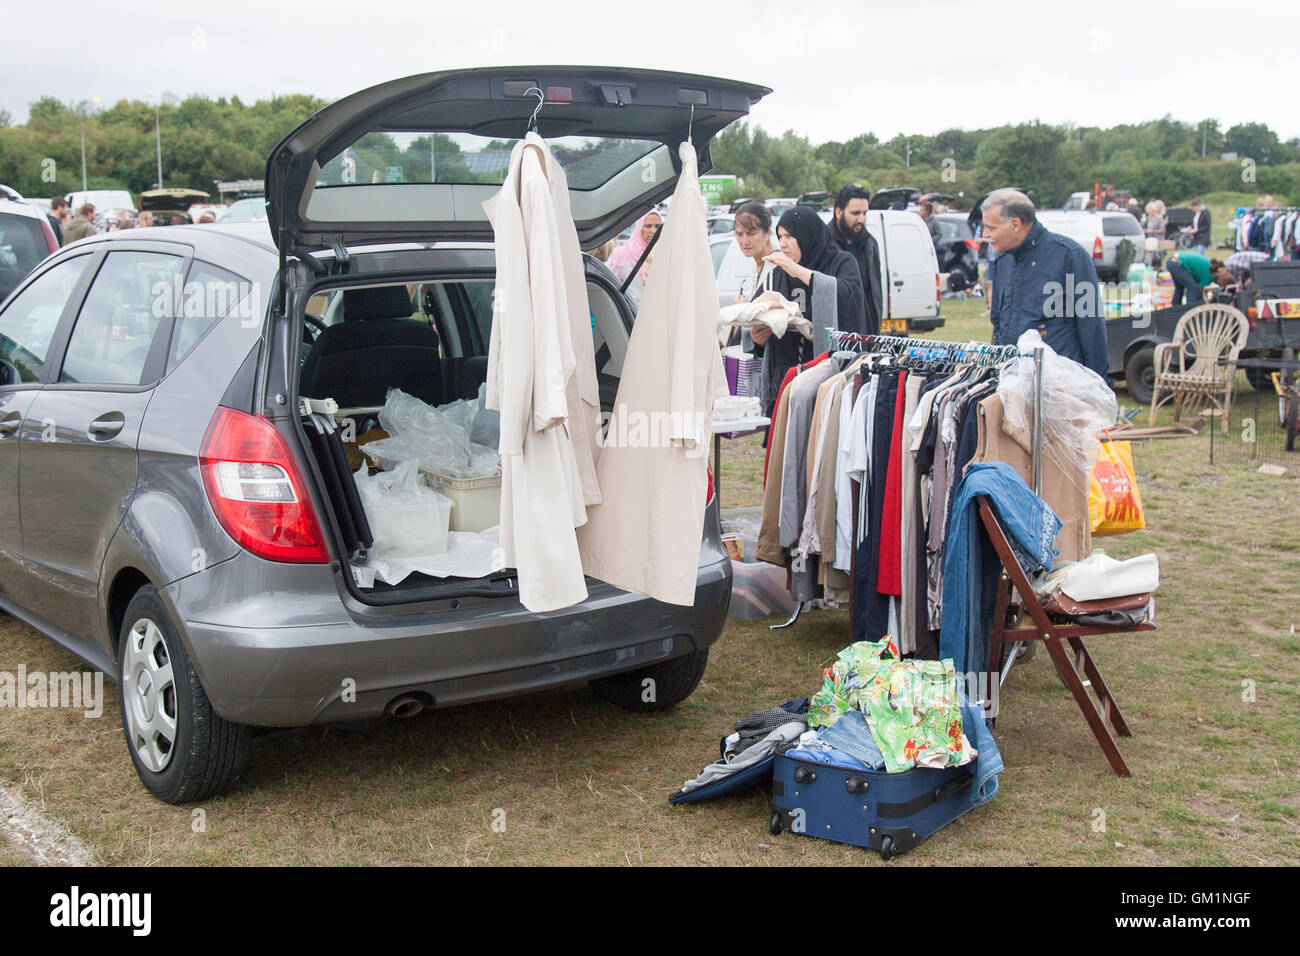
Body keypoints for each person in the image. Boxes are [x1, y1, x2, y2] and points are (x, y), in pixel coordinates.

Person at [982, 188, 1109, 379]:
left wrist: (1098, 383)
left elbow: (1091, 325)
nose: (985, 234)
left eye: (991, 228)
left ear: (1016, 224)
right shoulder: (1002, 262)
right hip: (1013, 379)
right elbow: (998, 323)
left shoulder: (1070, 256)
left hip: (1058, 380)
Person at [750, 207, 864, 417]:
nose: (782, 244)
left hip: (830, 379)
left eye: (790, 236)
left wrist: (800, 272)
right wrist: (759, 339)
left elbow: (848, 297)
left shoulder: (842, 262)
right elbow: (756, 312)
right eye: (780, 236)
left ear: (807, 236)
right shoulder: (780, 272)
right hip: (786, 380)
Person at [827, 185, 883, 334]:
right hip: (836, 332)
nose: (861, 219)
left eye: (865, 213)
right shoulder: (824, 245)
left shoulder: (870, 244)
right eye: (855, 213)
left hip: (866, 333)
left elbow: (875, 294)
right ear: (838, 212)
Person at [607, 209, 661, 307]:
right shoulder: (621, 253)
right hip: (630, 316)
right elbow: (611, 288)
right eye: (648, 226)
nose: (653, 231)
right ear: (639, 227)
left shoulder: (662, 254)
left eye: (657, 226)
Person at [731, 200, 775, 303]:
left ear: (766, 232)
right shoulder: (757, 265)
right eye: (739, 234)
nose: (744, 241)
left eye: (751, 234)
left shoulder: (778, 267)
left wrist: (743, 309)